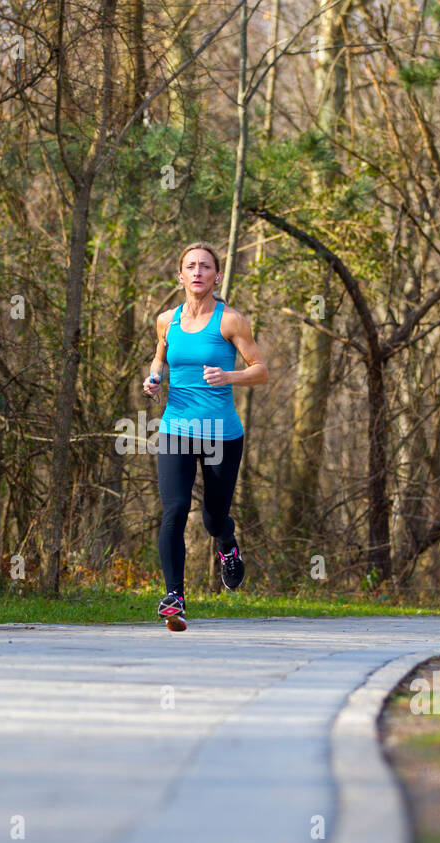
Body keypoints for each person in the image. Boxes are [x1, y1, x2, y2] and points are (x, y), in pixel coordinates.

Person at [143, 241, 268, 630]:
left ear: (216, 276)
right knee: (175, 510)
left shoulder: (231, 321)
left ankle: (226, 546)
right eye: (191, 266)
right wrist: (154, 378)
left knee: (214, 518)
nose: (198, 272)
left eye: (206, 266)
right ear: (180, 276)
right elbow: (160, 356)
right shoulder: (167, 320)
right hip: (175, 429)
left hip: (220, 433)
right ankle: (174, 597)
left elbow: (261, 370)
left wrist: (228, 376)